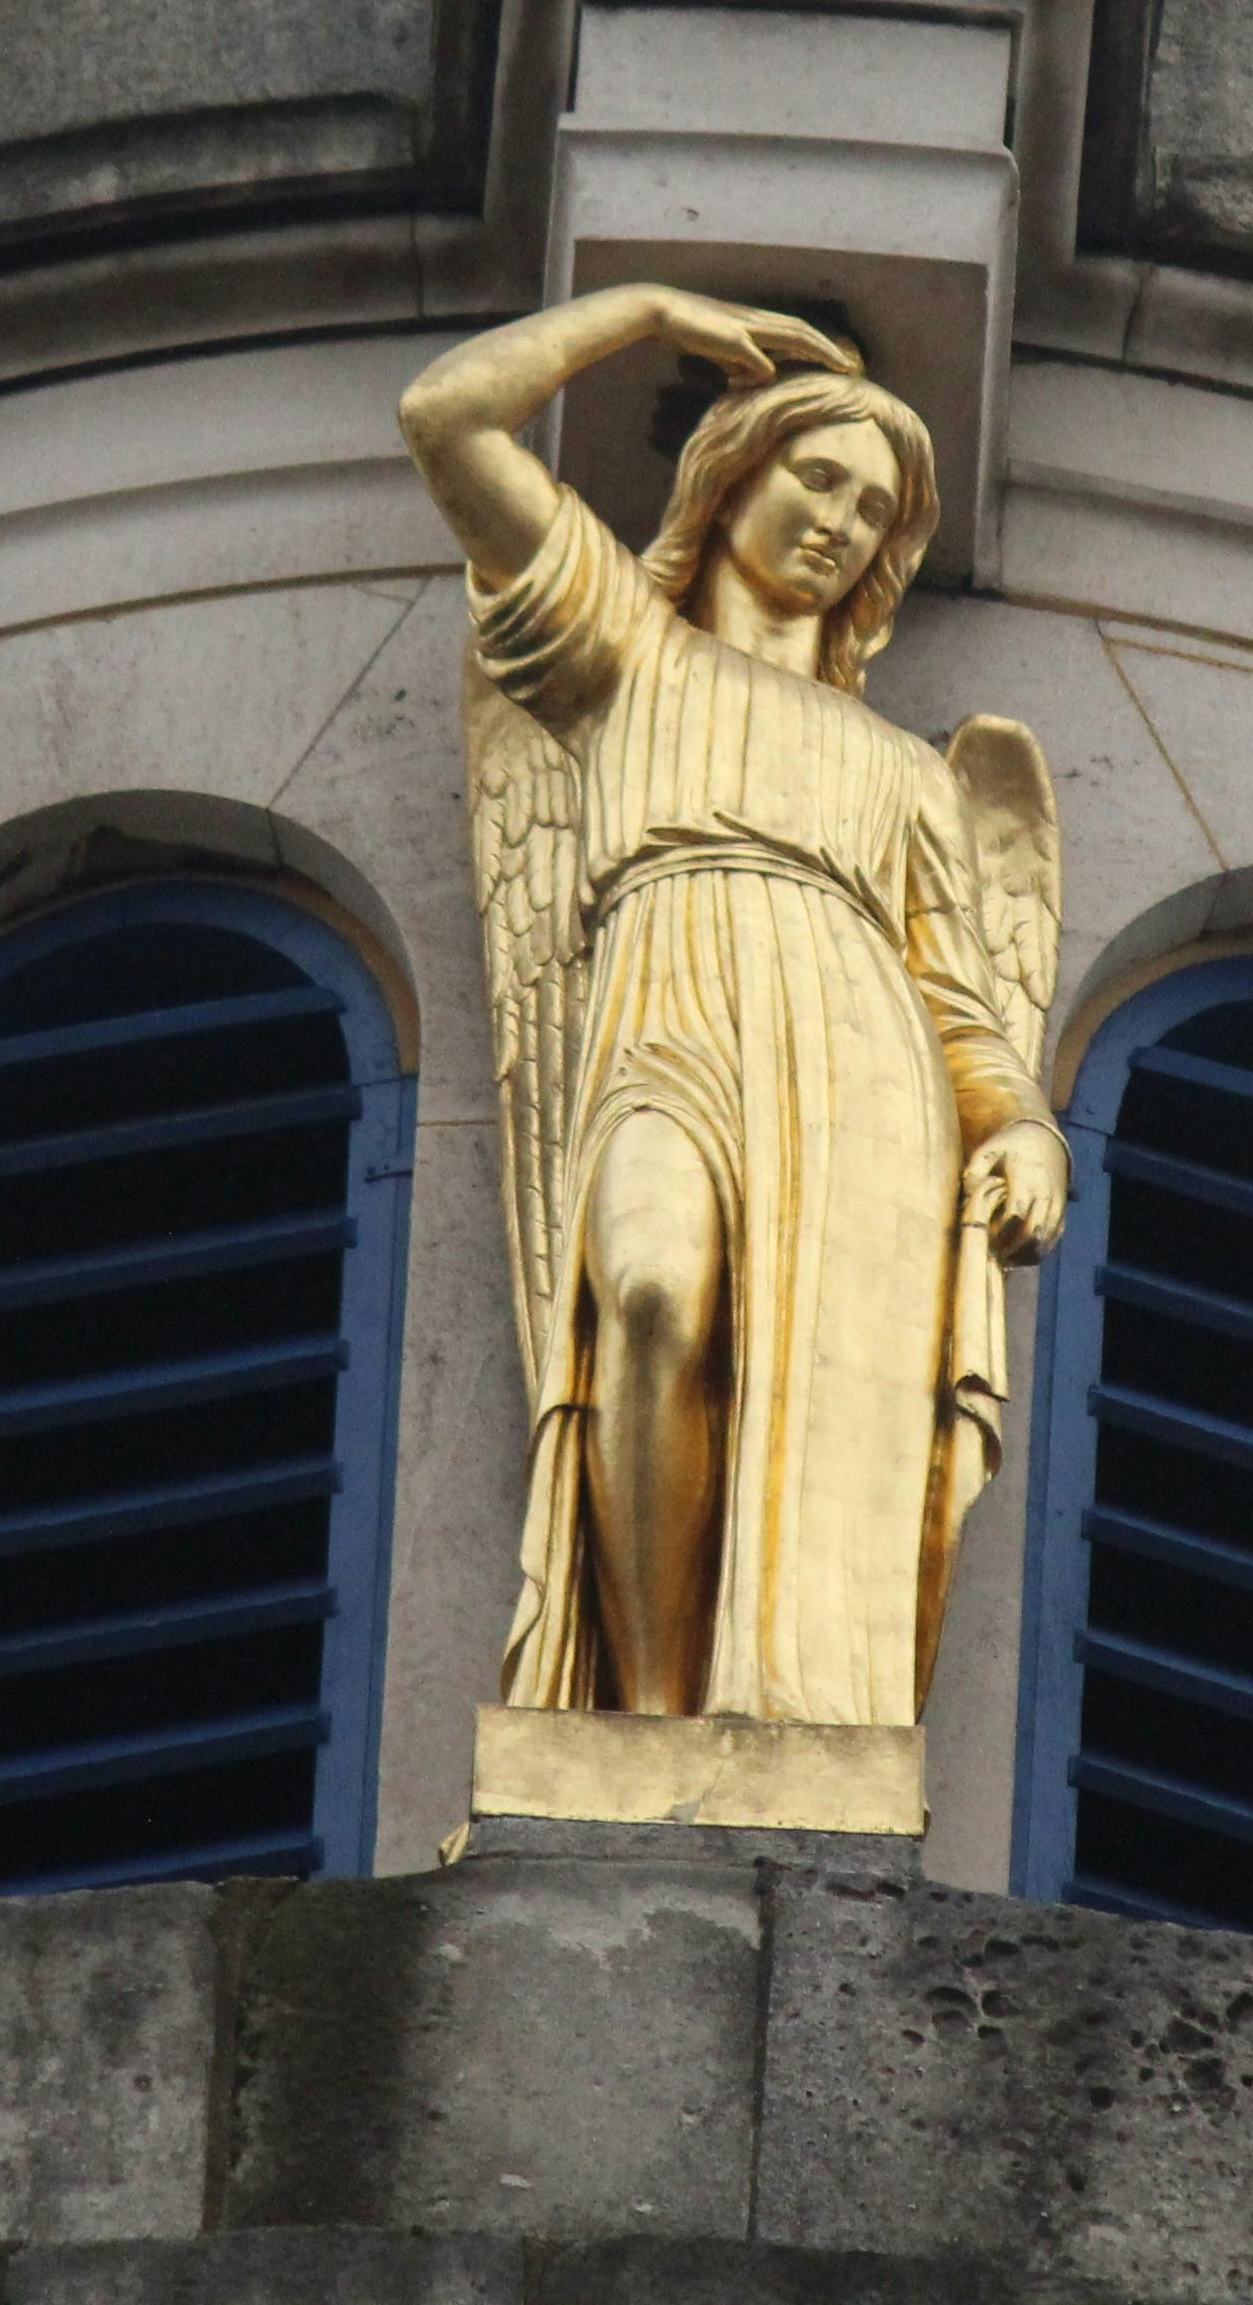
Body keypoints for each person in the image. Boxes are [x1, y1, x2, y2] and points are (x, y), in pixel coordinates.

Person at [405, 283, 1069, 1726]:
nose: (838, 522)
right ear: (731, 477)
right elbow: (445, 417)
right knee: (648, 1292)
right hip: (668, 1001)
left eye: (874, 512)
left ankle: (754, 1721)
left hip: (858, 1063)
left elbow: (954, 999)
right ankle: (646, 1720)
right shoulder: (624, 654)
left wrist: (1024, 1124)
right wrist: (646, 312)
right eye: (813, 477)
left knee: (822, 1393)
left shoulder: (903, 772)